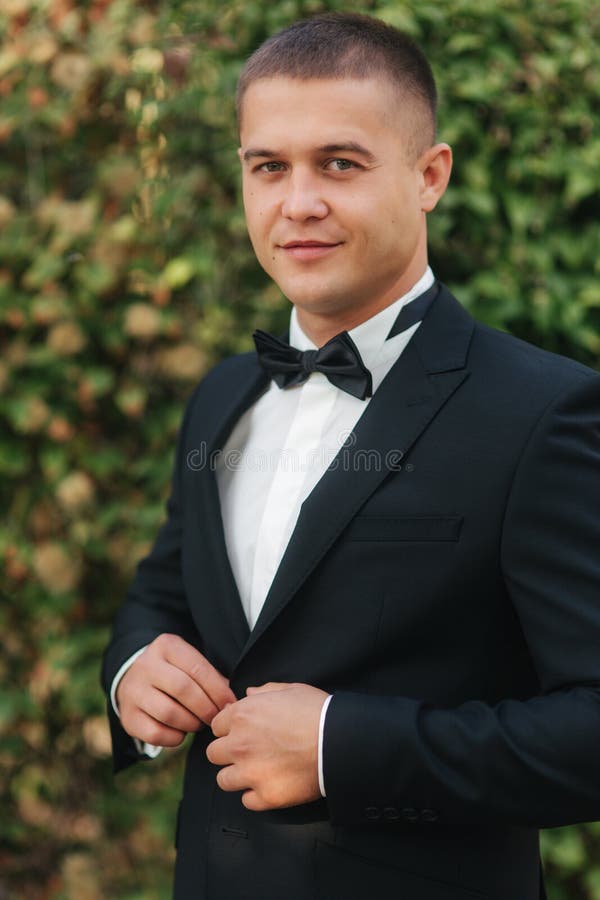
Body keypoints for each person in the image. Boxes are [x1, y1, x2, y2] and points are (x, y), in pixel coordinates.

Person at [102, 13, 600, 900]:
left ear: (429, 176)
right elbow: (164, 591)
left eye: (339, 163)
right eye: (268, 167)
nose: (297, 203)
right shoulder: (221, 396)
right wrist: (136, 670)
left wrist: (344, 749)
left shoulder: (544, 413)